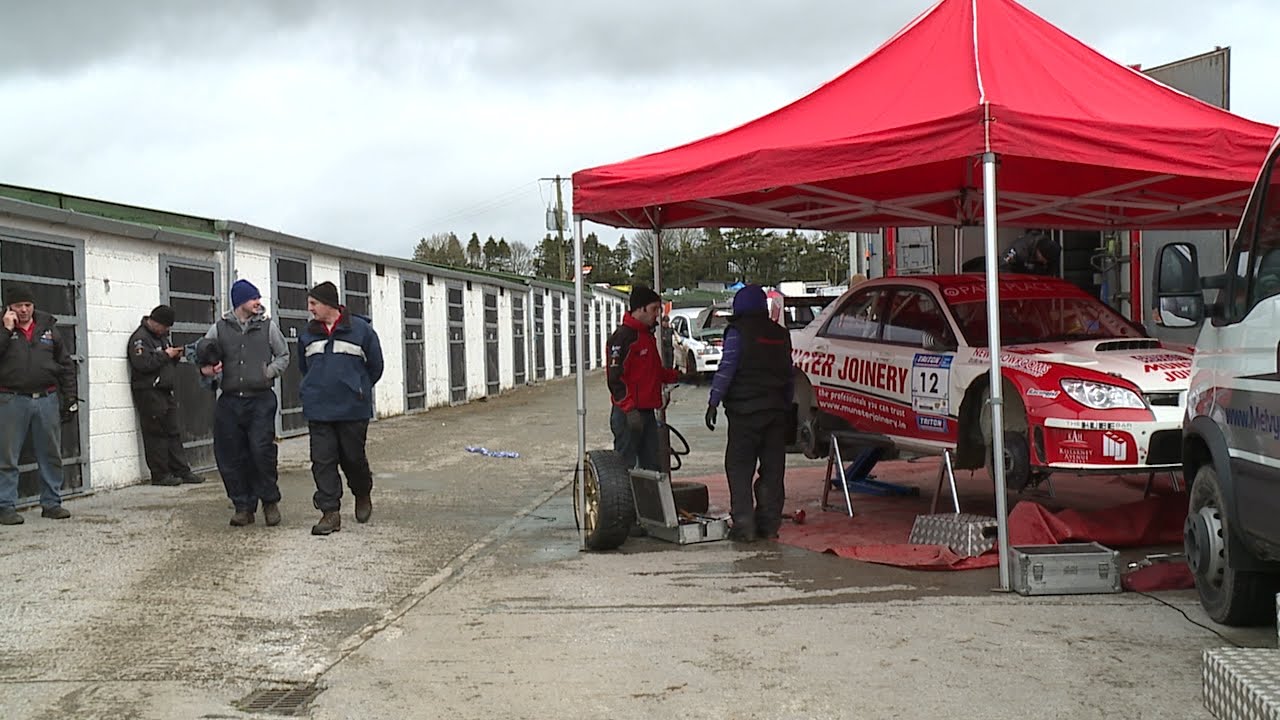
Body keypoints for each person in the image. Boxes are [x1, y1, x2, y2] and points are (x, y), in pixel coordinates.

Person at [704, 284, 795, 543]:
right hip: (776, 413)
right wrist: (786, 405)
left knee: (739, 468)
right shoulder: (780, 334)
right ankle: (768, 525)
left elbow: (727, 368)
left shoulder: (737, 332)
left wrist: (713, 401)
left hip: (744, 414)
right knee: (773, 471)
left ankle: (744, 525)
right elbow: (789, 374)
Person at [200, 279, 290, 527]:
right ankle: (243, 506)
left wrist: (268, 372)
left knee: (261, 451)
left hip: (260, 400)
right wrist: (209, 370)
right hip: (229, 401)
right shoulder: (219, 328)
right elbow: (203, 353)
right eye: (254, 299)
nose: (258, 303)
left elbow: (283, 355)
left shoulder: (268, 327)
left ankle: (269, 502)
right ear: (241, 301)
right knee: (230, 455)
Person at [298, 281, 384, 536]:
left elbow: (376, 366)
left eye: (314, 303)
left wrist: (358, 388)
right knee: (322, 461)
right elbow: (304, 368)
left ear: (328, 304)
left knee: (352, 458)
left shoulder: (361, 330)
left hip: (352, 409)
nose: (310, 309)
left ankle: (362, 492)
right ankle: (330, 512)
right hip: (319, 408)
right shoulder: (307, 334)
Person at [0, 282, 78, 525]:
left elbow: (65, 365)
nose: (24, 310)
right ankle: (5, 506)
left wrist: (70, 398)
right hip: (12, 400)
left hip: (47, 399)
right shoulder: (3, 328)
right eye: (18, 305)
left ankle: (52, 503)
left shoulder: (49, 328)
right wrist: (6, 330)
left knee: (50, 453)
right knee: (7, 456)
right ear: (9, 307)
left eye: (28, 305)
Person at [128, 304, 203, 487]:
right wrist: (165, 355)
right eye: (165, 326)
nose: (166, 330)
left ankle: (181, 470)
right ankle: (160, 474)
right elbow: (143, 364)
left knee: (173, 432)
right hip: (148, 391)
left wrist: (173, 357)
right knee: (156, 433)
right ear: (154, 322)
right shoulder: (140, 339)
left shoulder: (162, 337)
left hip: (164, 390)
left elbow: (162, 363)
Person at [606, 286, 679, 471]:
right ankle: (624, 500)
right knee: (626, 466)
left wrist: (679, 376)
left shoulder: (646, 336)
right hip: (628, 414)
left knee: (652, 467)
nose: (657, 315)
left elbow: (654, 372)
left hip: (646, 412)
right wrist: (629, 409)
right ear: (641, 309)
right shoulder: (623, 338)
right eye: (654, 309)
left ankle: (648, 499)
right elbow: (615, 379)